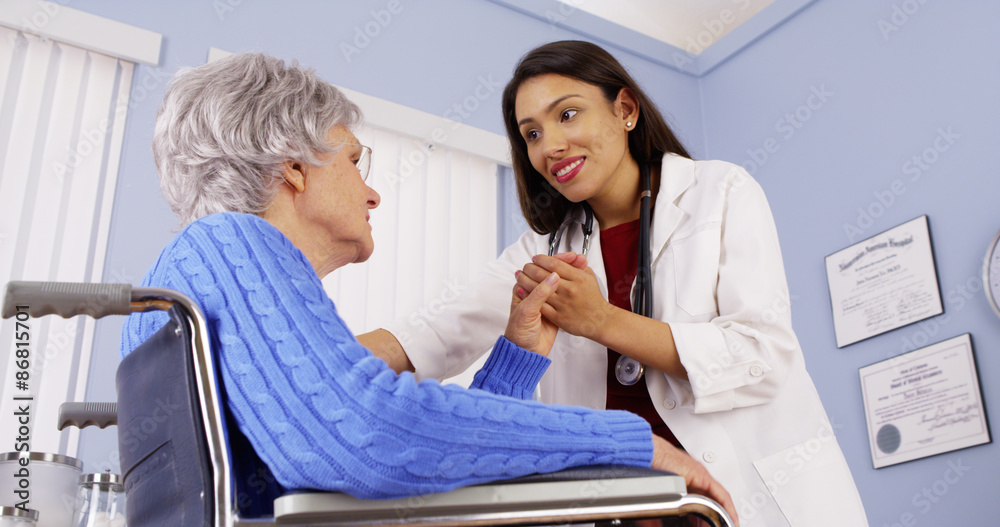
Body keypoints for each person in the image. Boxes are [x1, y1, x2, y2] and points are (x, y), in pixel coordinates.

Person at [118, 52, 737, 519]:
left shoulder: (198, 272)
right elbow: (369, 433)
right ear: (295, 167)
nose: (371, 190)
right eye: (354, 160)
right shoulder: (232, 244)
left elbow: (422, 460)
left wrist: (518, 362)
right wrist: (633, 443)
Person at [360, 41, 868, 527]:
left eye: (567, 114)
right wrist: (311, 357)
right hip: (630, 508)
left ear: (625, 109)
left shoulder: (720, 193)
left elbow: (762, 354)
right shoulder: (541, 252)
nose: (551, 146)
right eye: (531, 133)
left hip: (753, 499)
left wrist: (603, 322)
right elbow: (430, 336)